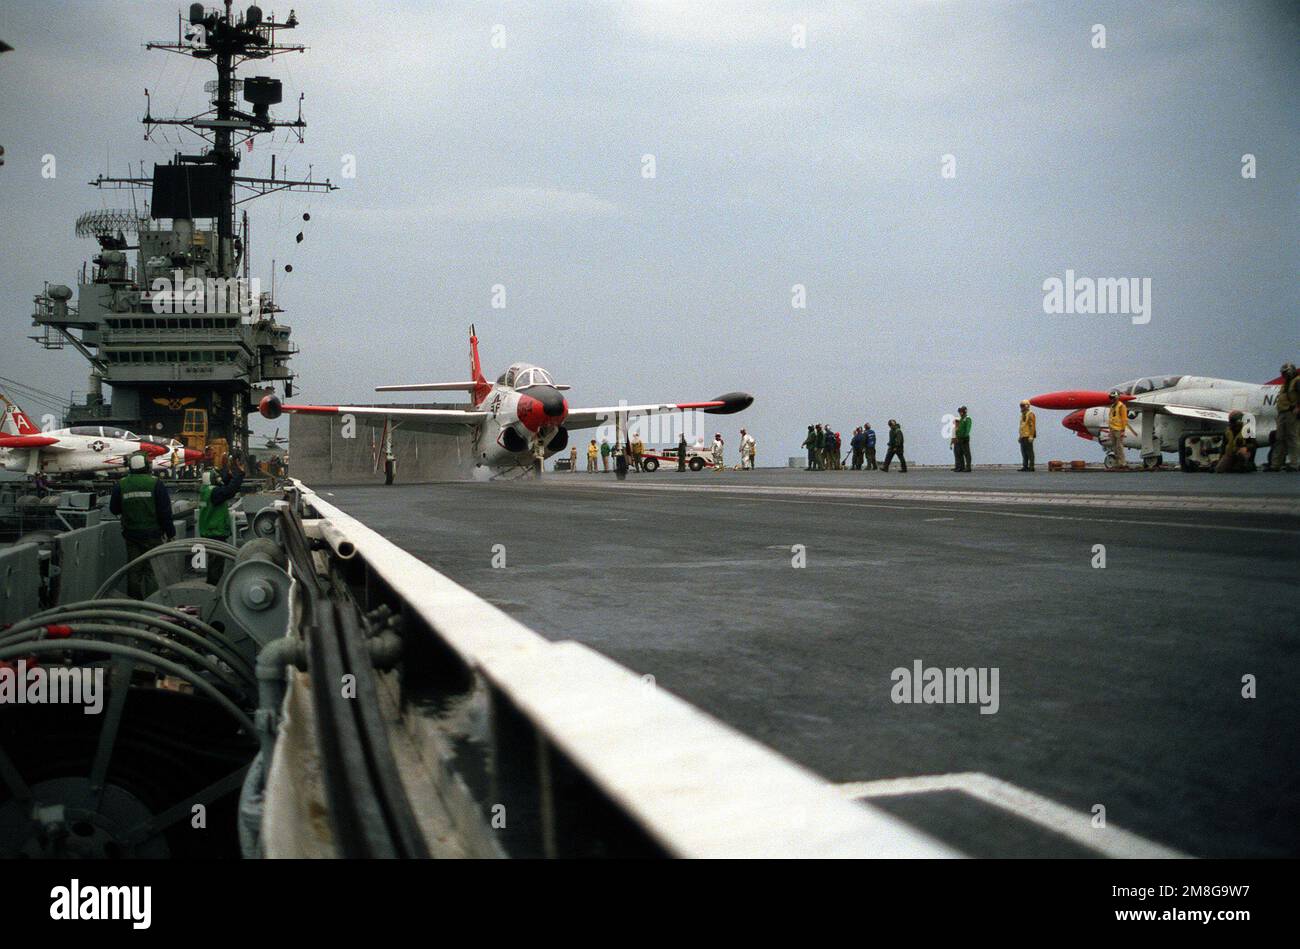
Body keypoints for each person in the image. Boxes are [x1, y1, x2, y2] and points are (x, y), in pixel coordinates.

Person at [109, 452, 176, 599]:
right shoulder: (156, 483)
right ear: (147, 466)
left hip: (131, 534)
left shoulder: (121, 484)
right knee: (152, 570)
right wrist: (170, 533)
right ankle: (153, 604)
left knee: (134, 571)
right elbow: (165, 512)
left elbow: (114, 509)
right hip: (153, 535)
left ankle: (134, 605)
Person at [198, 454, 245, 586]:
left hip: (207, 531)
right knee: (216, 565)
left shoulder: (205, 490)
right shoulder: (215, 493)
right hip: (215, 533)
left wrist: (229, 475)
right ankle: (212, 588)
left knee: (214, 562)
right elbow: (229, 491)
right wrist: (240, 474)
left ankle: (212, 585)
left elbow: (222, 486)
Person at [1269, 362, 1299, 471]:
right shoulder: (1286, 383)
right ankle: (1275, 465)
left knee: (1292, 438)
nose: (1283, 375)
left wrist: (1297, 408)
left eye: (1284, 373)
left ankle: (1294, 464)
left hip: (1291, 413)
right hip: (1282, 413)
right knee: (1279, 438)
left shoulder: (1297, 381)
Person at [1107, 390, 1129, 469]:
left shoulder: (1121, 406)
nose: (1112, 399)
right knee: (1115, 447)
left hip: (1119, 429)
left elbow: (1124, 419)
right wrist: (1110, 430)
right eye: (1111, 398)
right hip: (1113, 429)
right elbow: (1111, 418)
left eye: (1113, 398)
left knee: (1119, 447)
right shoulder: (1112, 407)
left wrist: (1123, 430)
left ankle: (1122, 463)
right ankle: (1117, 463)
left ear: (1117, 398)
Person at [1018, 400, 1037, 471]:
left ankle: (1031, 467)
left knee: (1029, 452)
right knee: (1023, 452)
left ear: (1027, 406)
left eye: (1023, 405)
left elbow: (1032, 426)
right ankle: (1025, 466)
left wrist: (1031, 436)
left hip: (1028, 435)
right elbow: (1022, 426)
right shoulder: (1022, 415)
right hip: (1023, 436)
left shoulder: (1030, 414)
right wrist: (1020, 436)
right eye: (1021, 406)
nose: (1021, 407)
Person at [953, 406, 972, 472]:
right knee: (959, 453)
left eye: (961, 411)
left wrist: (965, 436)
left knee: (966, 453)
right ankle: (961, 467)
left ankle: (968, 467)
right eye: (959, 411)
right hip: (959, 438)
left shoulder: (967, 418)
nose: (960, 413)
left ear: (964, 411)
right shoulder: (961, 419)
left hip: (964, 438)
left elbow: (968, 428)